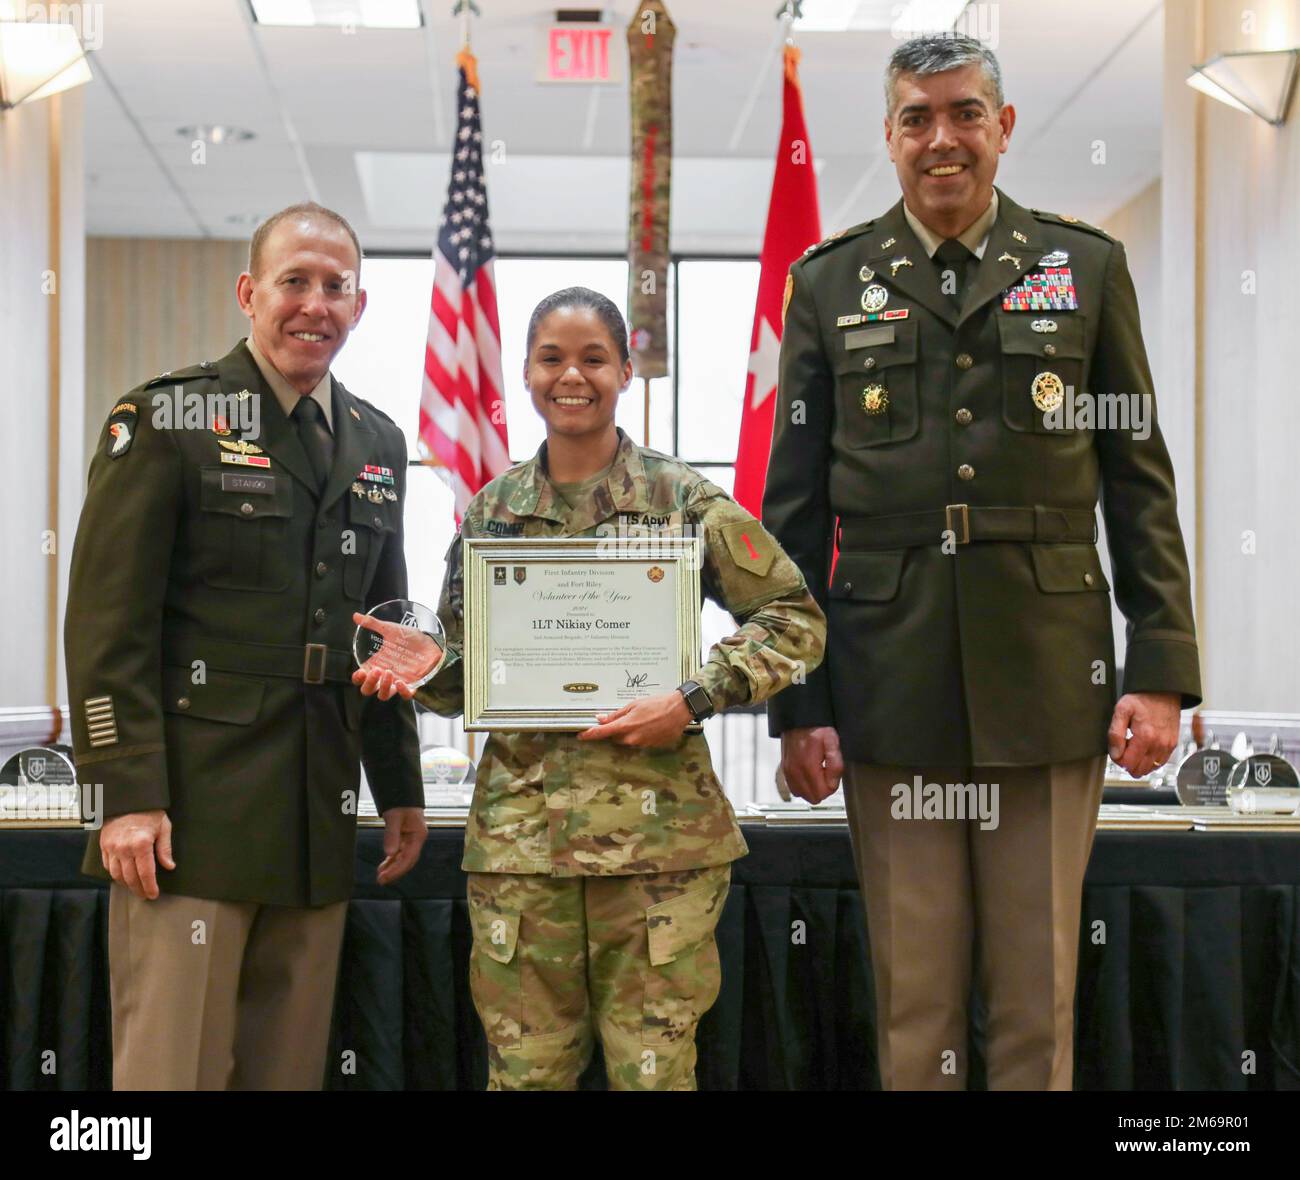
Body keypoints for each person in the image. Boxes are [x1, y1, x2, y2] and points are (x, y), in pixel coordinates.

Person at [763, 34, 1201, 1090]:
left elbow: (1137, 477)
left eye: (963, 113)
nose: (940, 138)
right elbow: (793, 512)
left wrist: (1158, 670)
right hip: (886, 678)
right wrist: (798, 700)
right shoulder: (829, 284)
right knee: (913, 998)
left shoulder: (1081, 266)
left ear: (1002, 129)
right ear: (889, 137)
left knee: (1033, 997)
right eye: (916, 118)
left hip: (1047, 675)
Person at [355, 286, 826, 1090]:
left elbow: (793, 619)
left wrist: (693, 696)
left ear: (625, 371)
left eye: (593, 358)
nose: (572, 376)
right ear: (527, 376)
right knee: (526, 1079)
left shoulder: (685, 501)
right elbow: (477, 677)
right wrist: (429, 668)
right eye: (552, 358)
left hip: (659, 854)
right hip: (521, 854)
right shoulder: (492, 512)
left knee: (655, 1080)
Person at [64, 201, 428, 1090]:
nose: (314, 304)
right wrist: (125, 794)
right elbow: (107, 626)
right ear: (248, 293)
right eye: (292, 281)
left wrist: (401, 787)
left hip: (316, 809)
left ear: (359, 304)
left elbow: (384, 630)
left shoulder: (378, 441)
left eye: (334, 286)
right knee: (169, 1073)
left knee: (287, 1070)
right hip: (190, 813)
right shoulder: (170, 419)